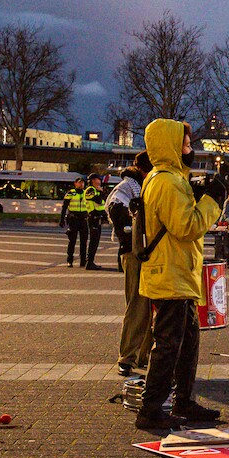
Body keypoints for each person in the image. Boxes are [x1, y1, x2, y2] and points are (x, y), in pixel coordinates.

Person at [135, 119, 226, 431]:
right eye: (186, 144)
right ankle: (151, 408)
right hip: (170, 276)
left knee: (187, 340)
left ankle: (183, 400)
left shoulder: (166, 178)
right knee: (170, 343)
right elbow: (187, 227)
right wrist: (214, 201)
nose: (191, 150)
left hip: (176, 274)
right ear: (172, 147)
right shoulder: (168, 182)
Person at [106, 152, 153, 377]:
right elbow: (116, 208)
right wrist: (133, 236)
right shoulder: (129, 185)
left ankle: (143, 355)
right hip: (135, 253)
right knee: (138, 304)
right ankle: (128, 357)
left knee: (148, 306)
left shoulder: (142, 184)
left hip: (144, 252)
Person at [59, 176, 91, 268]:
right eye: (79, 182)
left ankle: (83, 261)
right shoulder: (71, 193)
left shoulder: (87, 193)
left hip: (84, 220)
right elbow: (64, 207)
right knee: (72, 241)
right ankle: (70, 260)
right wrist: (62, 219)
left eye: (82, 183)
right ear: (75, 184)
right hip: (73, 220)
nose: (81, 184)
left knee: (84, 242)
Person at [85, 172, 106, 270]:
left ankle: (91, 261)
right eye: (98, 179)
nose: (100, 181)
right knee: (93, 241)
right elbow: (98, 200)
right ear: (93, 180)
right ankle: (89, 262)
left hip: (98, 218)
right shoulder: (90, 190)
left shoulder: (97, 190)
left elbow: (103, 201)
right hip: (93, 217)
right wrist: (101, 193)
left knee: (96, 241)